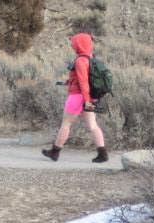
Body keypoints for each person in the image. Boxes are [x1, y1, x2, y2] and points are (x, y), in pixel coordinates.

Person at [42, 32, 109, 164]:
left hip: (78, 97)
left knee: (66, 124)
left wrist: (86, 100)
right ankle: (103, 154)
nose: (72, 45)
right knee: (92, 125)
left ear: (79, 44)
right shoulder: (90, 59)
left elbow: (84, 82)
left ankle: (55, 152)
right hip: (88, 97)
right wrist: (70, 83)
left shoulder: (80, 61)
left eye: (74, 43)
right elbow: (84, 80)